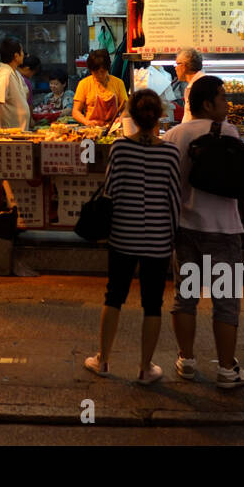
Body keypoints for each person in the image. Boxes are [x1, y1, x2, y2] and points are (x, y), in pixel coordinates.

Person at [161, 75, 244, 388]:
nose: (227, 104)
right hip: (223, 231)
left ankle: (186, 360)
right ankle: (227, 370)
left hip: (185, 228)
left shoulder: (173, 135)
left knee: (185, 297)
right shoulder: (227, 131)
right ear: (207, 103)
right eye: (223, 98)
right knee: (225, 301)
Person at [84, 90, 181, 384]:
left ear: (132, 116)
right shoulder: (170, 153)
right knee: (152, 303)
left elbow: (111, 191)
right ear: (159, 115)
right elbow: (174, 199)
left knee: (114, 296)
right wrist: (174, 239)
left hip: (123, 235)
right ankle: (145, 367)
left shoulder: (120, 148)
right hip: (158, 238)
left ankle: (102, 360)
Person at [72, 49, 127, 128]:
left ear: (108, 68)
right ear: (91, 70)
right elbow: (75, 111)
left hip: (113, 129)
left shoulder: (118, 83)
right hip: (92, 130)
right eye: (95, 72)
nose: (100, 75)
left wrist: (121, 118)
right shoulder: (84, 84)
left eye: (102, 71)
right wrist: (86, 122)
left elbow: (126, 108)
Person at [0, 37, 31, 131]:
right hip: (8, 135)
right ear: (16, 56)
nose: (23, 54)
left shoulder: (15, 73)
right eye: (21, 51)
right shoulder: (5, 74)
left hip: (20, 131)